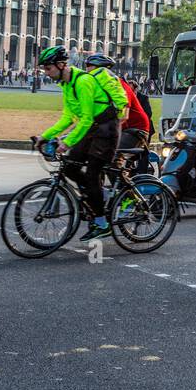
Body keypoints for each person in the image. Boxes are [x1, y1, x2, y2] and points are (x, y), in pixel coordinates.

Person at [37, 45, 125, 242]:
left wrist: (67, 142)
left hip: (107, 129)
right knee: (69, 167)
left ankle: (102, 223)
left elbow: (85, 119)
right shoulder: (67, 85)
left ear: (61, 65)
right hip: (93, 129)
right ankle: (96, 198)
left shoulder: (83, 82)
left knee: (92, 173)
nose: (46, 73)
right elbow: (68, 117)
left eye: (48, 68)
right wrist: (44, 136)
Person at [84, 54, 151, 175]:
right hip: (122, 129)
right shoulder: (98, 87)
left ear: (102, 69)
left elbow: (124, 116)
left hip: (135, 130)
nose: (86, 69)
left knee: (109, 159)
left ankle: (124, 191)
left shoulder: (117, 84)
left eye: (89, 66)